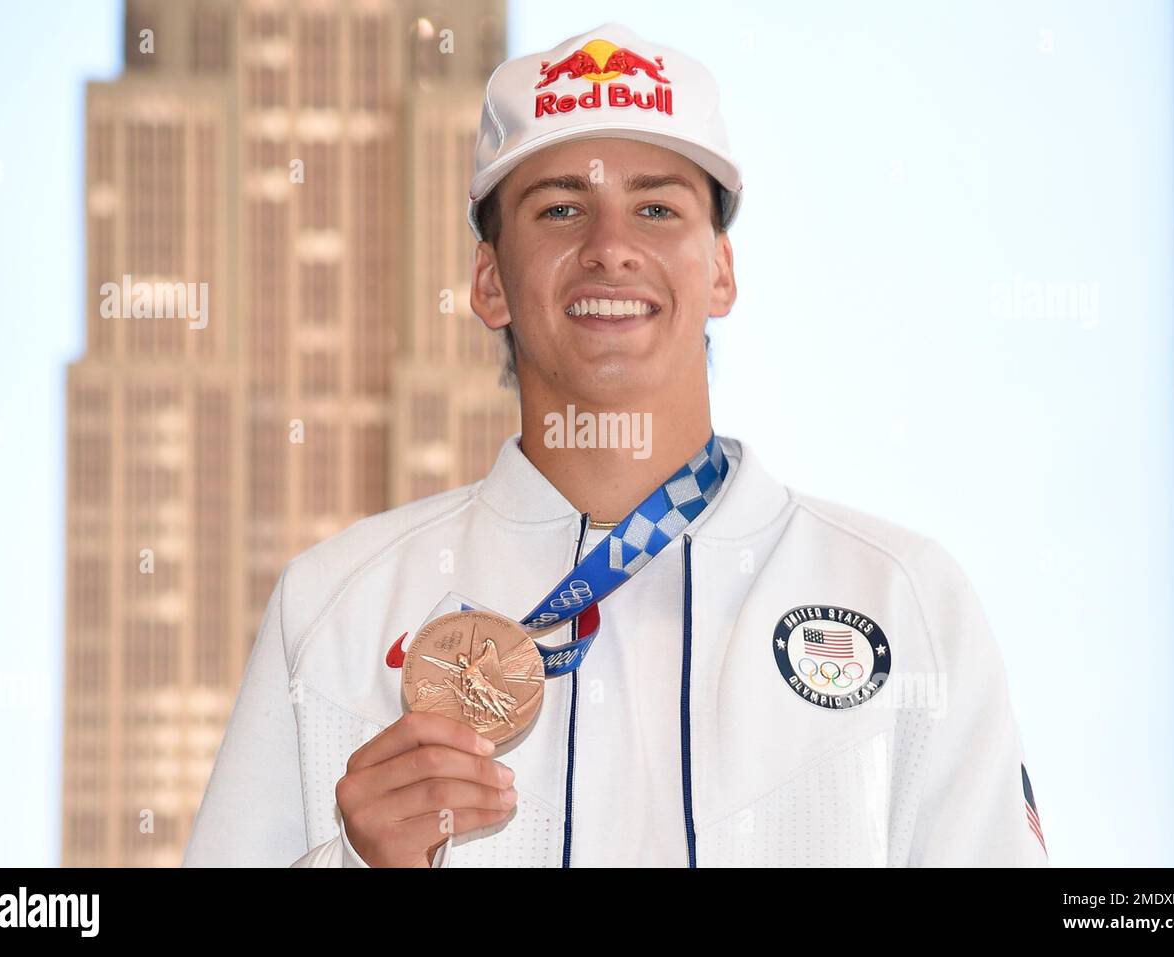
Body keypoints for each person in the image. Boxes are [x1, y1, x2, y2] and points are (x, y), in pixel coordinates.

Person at [182, 21, 1047, 868]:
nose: (611, 249)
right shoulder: (334, 607)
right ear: (490, 281)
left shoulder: (902, 599)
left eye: (657, 207)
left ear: (720, 271)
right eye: (561, 208)